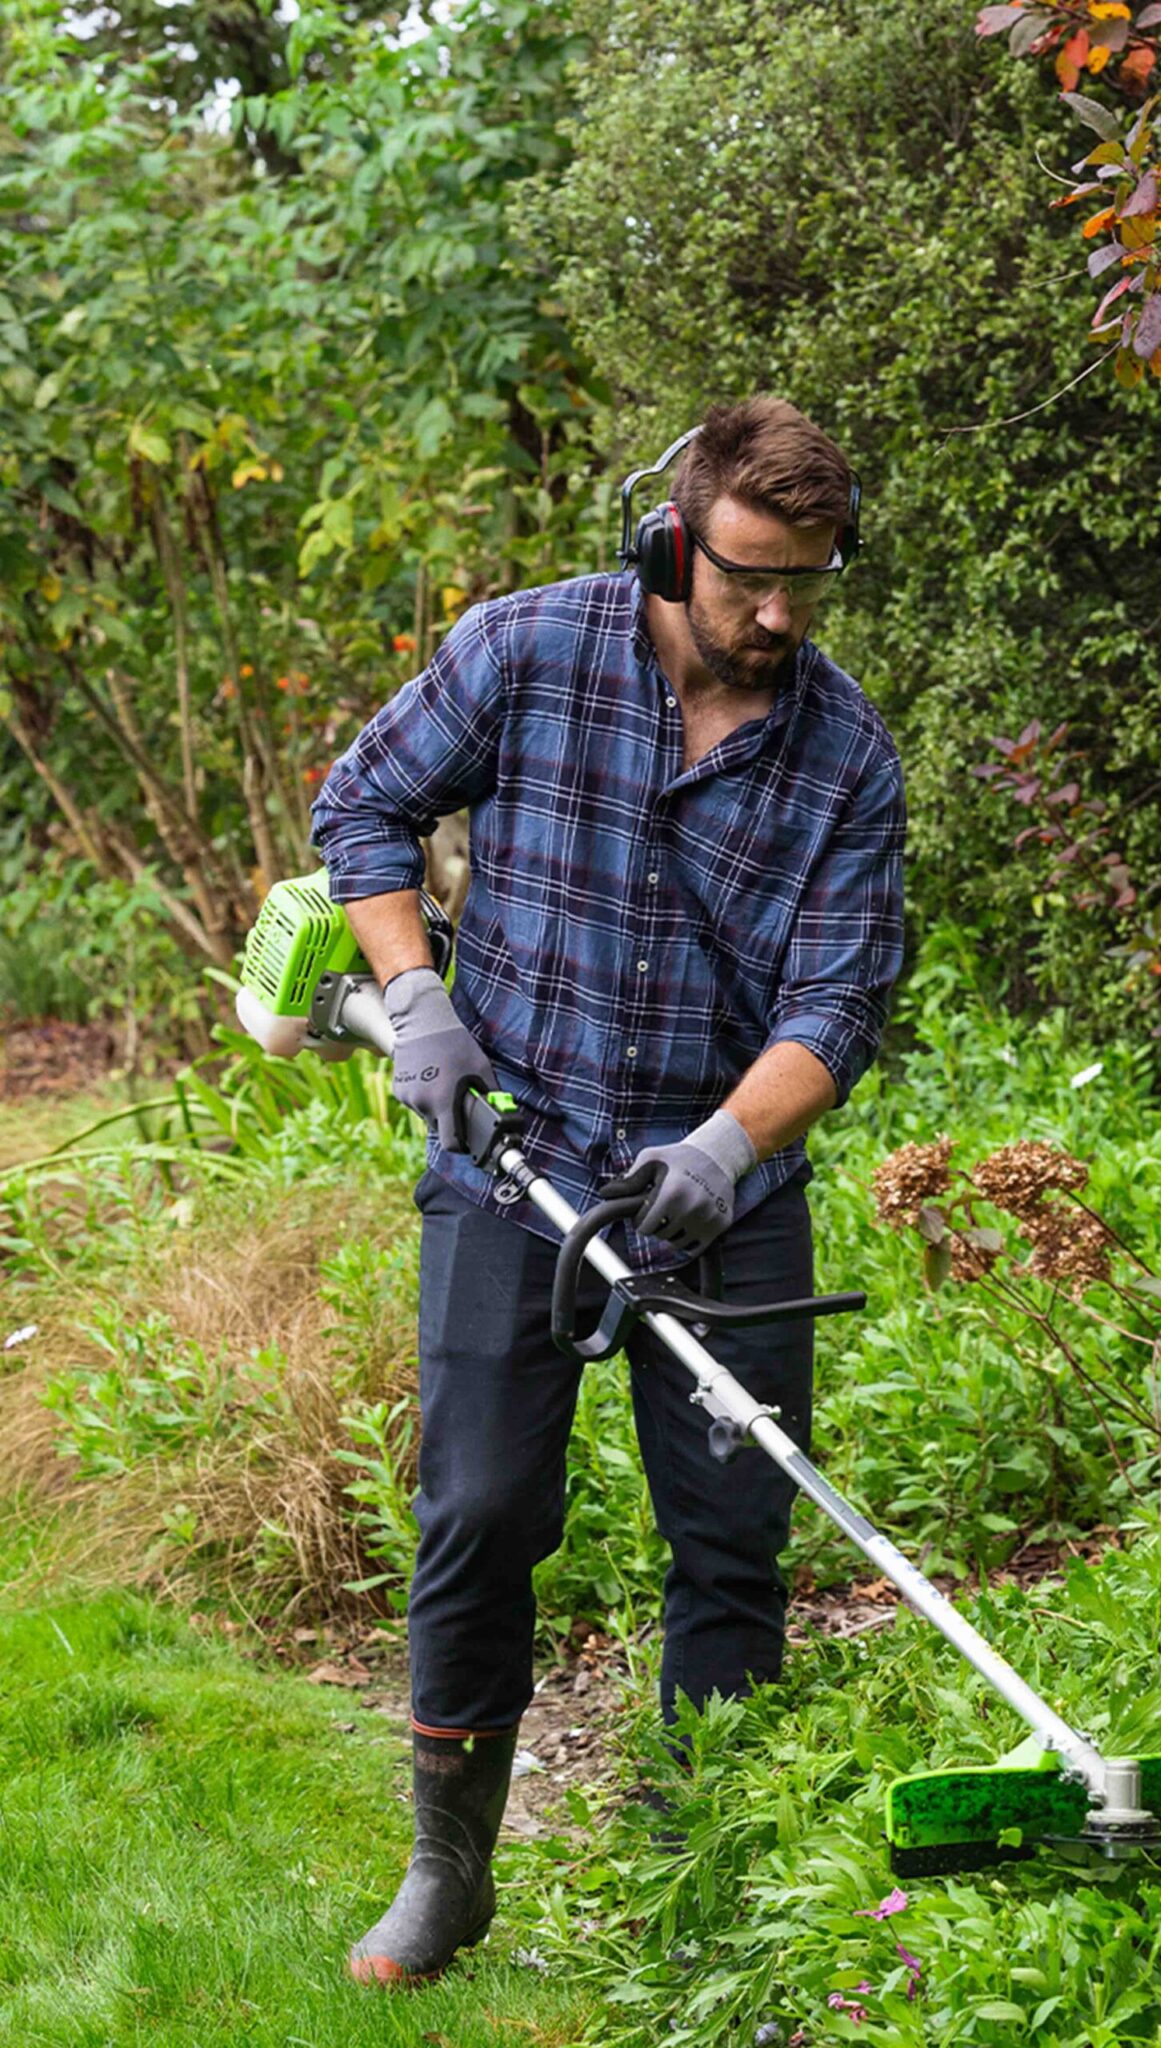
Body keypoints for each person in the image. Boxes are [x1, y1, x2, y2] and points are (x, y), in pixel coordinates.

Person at [309, 397, 905, 1987]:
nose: (780, 614)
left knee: (729, 1538)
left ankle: (703, 1885)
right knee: (481, 1512)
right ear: (671, 544)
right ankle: (450, 1871)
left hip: (720, 1191)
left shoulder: (844, 751)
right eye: (751, 579)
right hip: (518, 1173)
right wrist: (417, 1001)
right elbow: (360, 806)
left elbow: (838, 1004)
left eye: (811, 583)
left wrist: (726, 1148)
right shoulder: (527, 652)